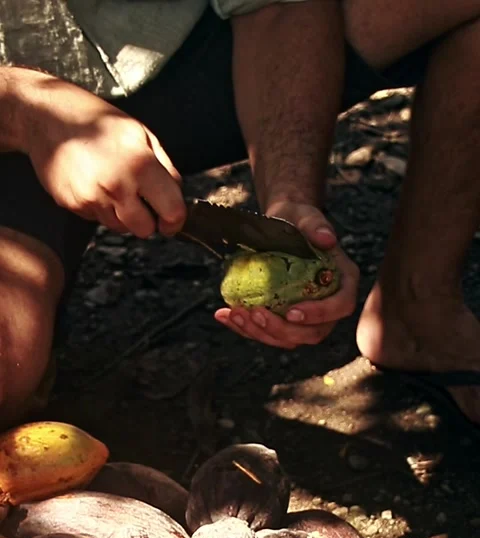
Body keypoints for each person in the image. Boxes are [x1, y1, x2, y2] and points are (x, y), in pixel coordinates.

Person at [1, 0, 480, 433]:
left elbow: (275, 6)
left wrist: (290, 197)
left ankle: (418, 307)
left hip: (186, 52)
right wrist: (26, 109)